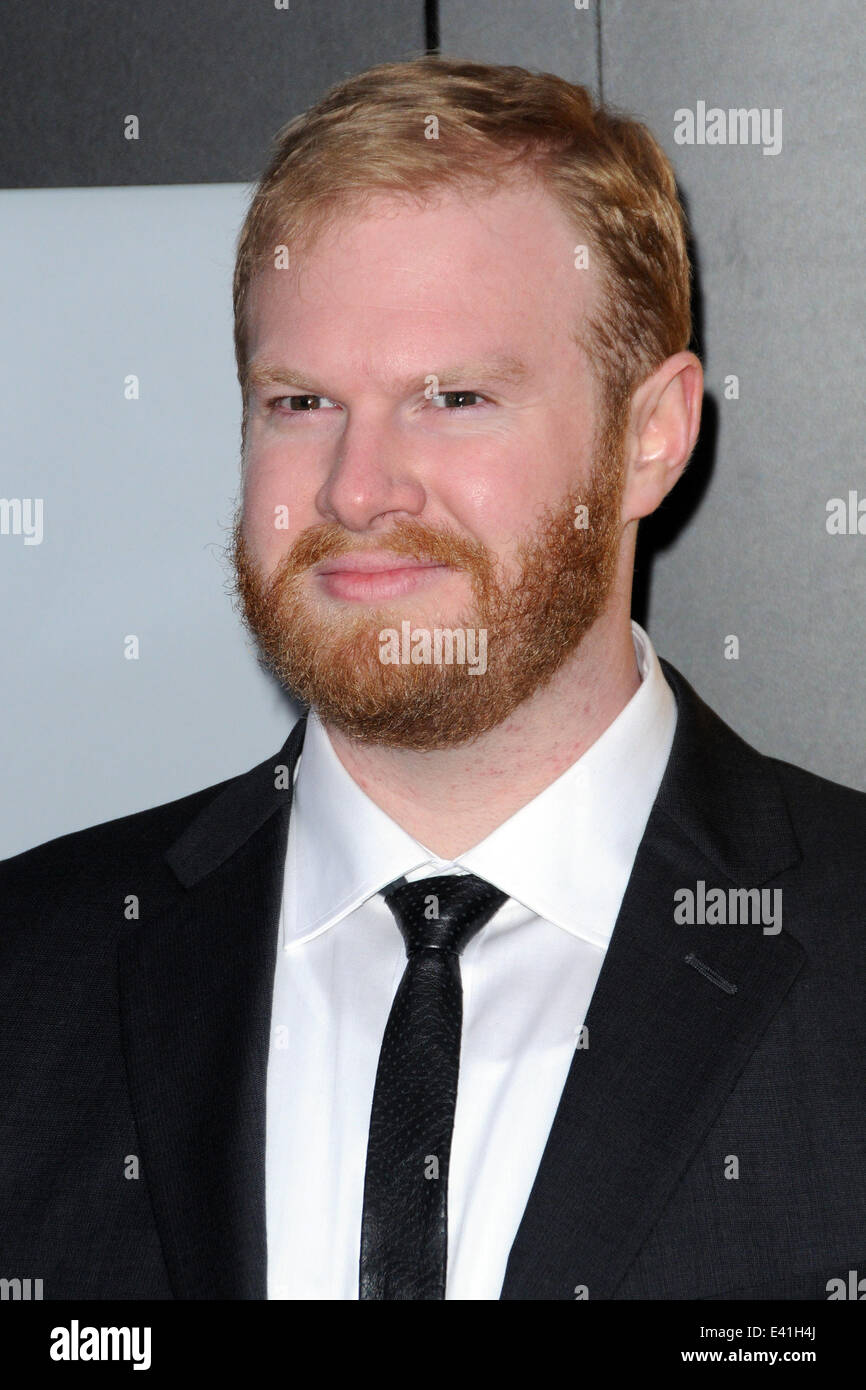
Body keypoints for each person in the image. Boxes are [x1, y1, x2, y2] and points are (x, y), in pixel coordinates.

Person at [1, 56, 864, 1302]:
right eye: (300, 401)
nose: (357, 489)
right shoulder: (29, 982)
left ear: (649, 436)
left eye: (453, 397)